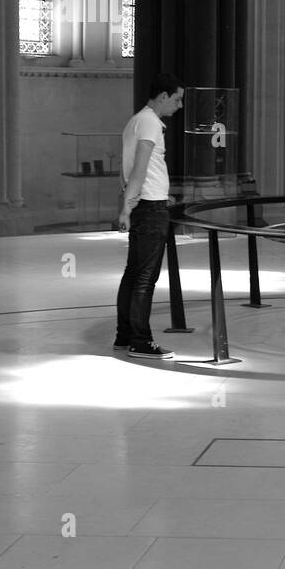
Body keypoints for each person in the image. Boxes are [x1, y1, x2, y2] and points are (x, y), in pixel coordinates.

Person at [113, 74, 184, 359]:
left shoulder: (136, 120)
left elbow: (125, 169)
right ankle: (141, 341)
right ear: (162, 96)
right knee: (145, 277)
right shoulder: (151, 123)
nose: (179, 106)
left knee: (133, 274)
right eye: (177, 99)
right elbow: (139, 168)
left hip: (148, 202)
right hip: (149, 209)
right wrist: (127, 208)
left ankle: (125, 334)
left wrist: (131, 201)